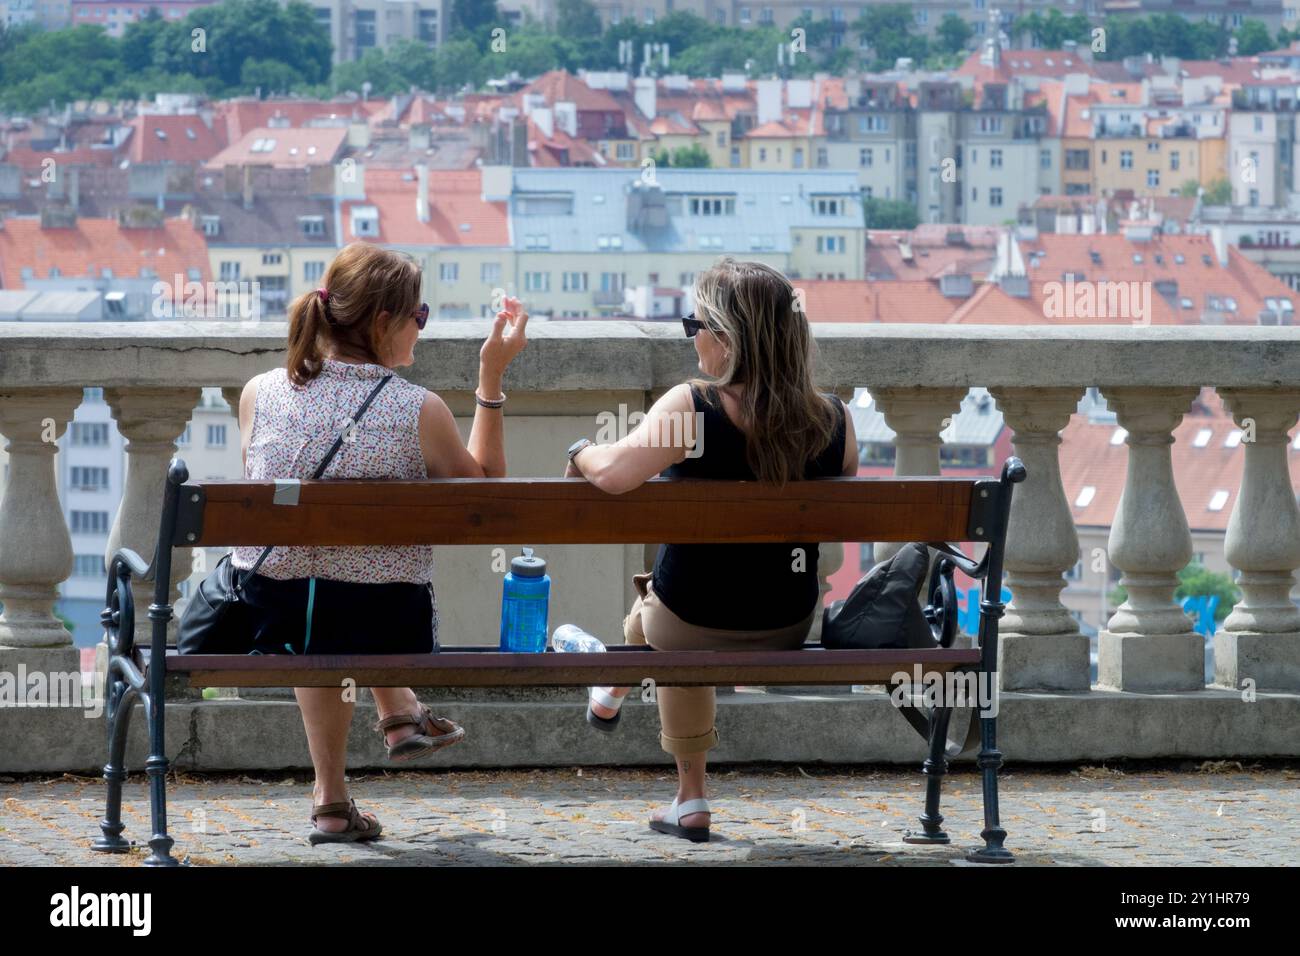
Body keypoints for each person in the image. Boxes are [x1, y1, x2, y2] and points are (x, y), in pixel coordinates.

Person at [230, 241, 528, 844]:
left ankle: (336, 795)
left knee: (316, 592)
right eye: (418, 317)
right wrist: (491, 378)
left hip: (270, 616)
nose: (422, 328)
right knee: (350, 595)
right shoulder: (417, 410)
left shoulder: (260, 393)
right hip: (389, 624)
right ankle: (397, 708)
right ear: (384, 323)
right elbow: (487, 497)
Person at [563, 257, 857, 842]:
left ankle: (689, 795)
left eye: (695, 325)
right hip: (787, 623)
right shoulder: (835, 420)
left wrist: (579, 450)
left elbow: (616, 475)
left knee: (667, 617)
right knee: (663, 608)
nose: (693, 337)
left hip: (690, 623)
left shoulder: (691, 408)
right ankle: (613, 686)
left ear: (727, 338)